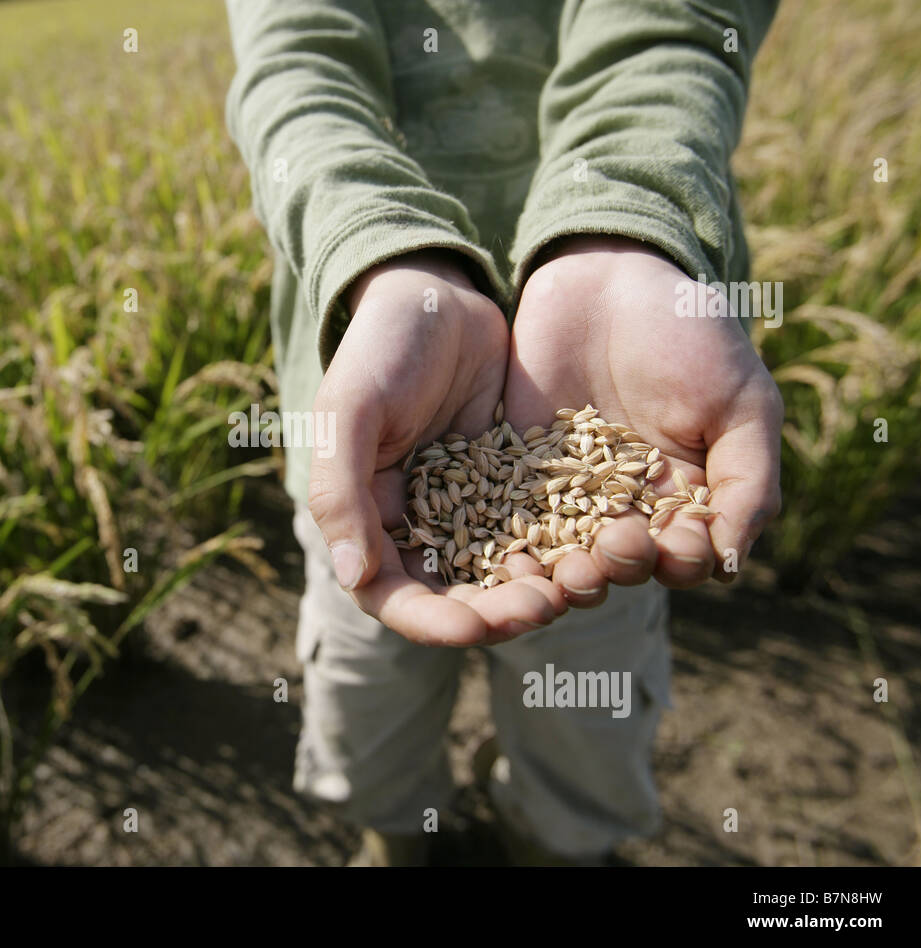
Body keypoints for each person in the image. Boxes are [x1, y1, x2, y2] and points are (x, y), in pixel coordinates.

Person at [225, 0, 784, 865]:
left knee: (585, 723)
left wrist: (620, 224)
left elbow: (671, 31)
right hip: (369, 414)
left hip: (621, 392)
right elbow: (299, 77)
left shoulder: (608, 469)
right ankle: (395, 831)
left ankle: (556, 842)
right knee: (364, 697)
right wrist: (383, 254)